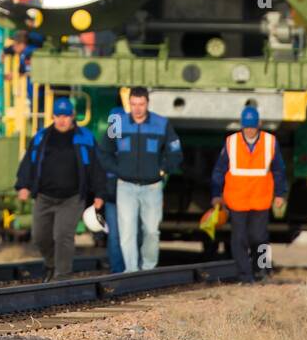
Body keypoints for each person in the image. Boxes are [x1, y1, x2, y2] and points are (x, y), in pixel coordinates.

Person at [14, 97, 105, 280]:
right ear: (53, 116)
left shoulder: (85, 137)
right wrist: (23, 185)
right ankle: (51, 263)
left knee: (63, 235)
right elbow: (28, 164)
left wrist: (99, 194)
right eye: (58, 116)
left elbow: (97, 167)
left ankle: (62, 276)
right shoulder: (41, 137)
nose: (62, 120)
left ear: (73, 116)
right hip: (44, 196)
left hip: (72, 198)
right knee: (39, 236)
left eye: (66, 116)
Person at [99, 86, 182, 273]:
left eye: (141, 104)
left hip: (152, 187)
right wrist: (118, 170)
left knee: (152, 232)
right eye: (133, 104)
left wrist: (162, 171)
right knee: (127, 232)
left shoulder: (161, 124)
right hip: (125, 186)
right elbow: (104, 151)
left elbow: (175, 153)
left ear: (147, 103)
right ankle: (131, 272)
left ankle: (148, 269)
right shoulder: (118, 122)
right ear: (129, 103)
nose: (137, 108)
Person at [210, 104, 288, 283]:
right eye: (247, 127)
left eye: (253, 127)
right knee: (239, 239)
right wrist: (216, 194)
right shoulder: (231, 142)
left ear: (259, 124)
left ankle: (262, 270)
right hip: (237, 200)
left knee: (260, 238)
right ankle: (245, 276)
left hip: (261, 198)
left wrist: (280, 194)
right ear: (241, 125)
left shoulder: (270, 142)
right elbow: (219, 170)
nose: (250, 131)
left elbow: (279, 170)